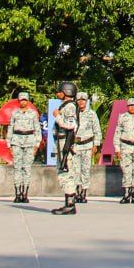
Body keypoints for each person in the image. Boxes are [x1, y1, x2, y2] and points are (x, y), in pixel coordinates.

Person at [51, 81, 80, 215]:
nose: (58, 93)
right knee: (63, 171)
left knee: (66, 172)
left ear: (66, 92)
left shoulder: (69, 107)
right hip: (61, 142)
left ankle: (70, 204)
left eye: (60, 91)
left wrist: (57, 116)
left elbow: (70, 125)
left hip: (65, 143)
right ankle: (68, 203)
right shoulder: (66, 105)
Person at [7, 92, 42, 203]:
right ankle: (17, 193)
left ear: (28, 101)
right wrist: (9, 143)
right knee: (17, 167)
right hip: (17, 140)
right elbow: (10, 128)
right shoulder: (15, 113)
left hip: (29, 140)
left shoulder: (33, 114)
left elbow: (37, 129)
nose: (23, 102)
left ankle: (25, 193)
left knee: (27, 168)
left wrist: (37, 143)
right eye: (21, 100)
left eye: (25, 100)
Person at [73, 92, 102, 204]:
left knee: (85, 169)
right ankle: (76, 192)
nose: (81, 102)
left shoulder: (91, 114)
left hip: (87, 145)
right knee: (75, 170)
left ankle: (83, 193)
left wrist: (96, 145)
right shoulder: (73, 113)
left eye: (83, 100)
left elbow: (97, 130)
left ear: (86, 101)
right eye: (79, 100)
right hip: (75, 145)